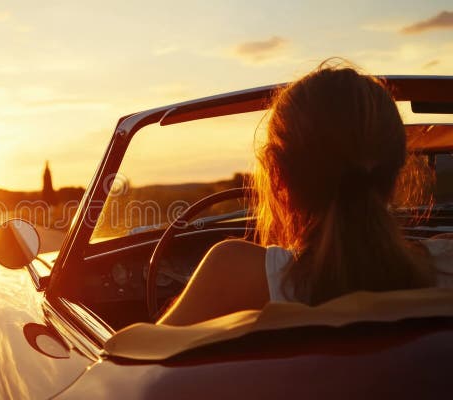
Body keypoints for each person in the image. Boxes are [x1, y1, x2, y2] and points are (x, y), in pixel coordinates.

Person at [158, 64, 453, 326]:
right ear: (398, 169)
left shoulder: (235, 273)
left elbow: (138, 370)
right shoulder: (447, 261)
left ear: (278, 176)